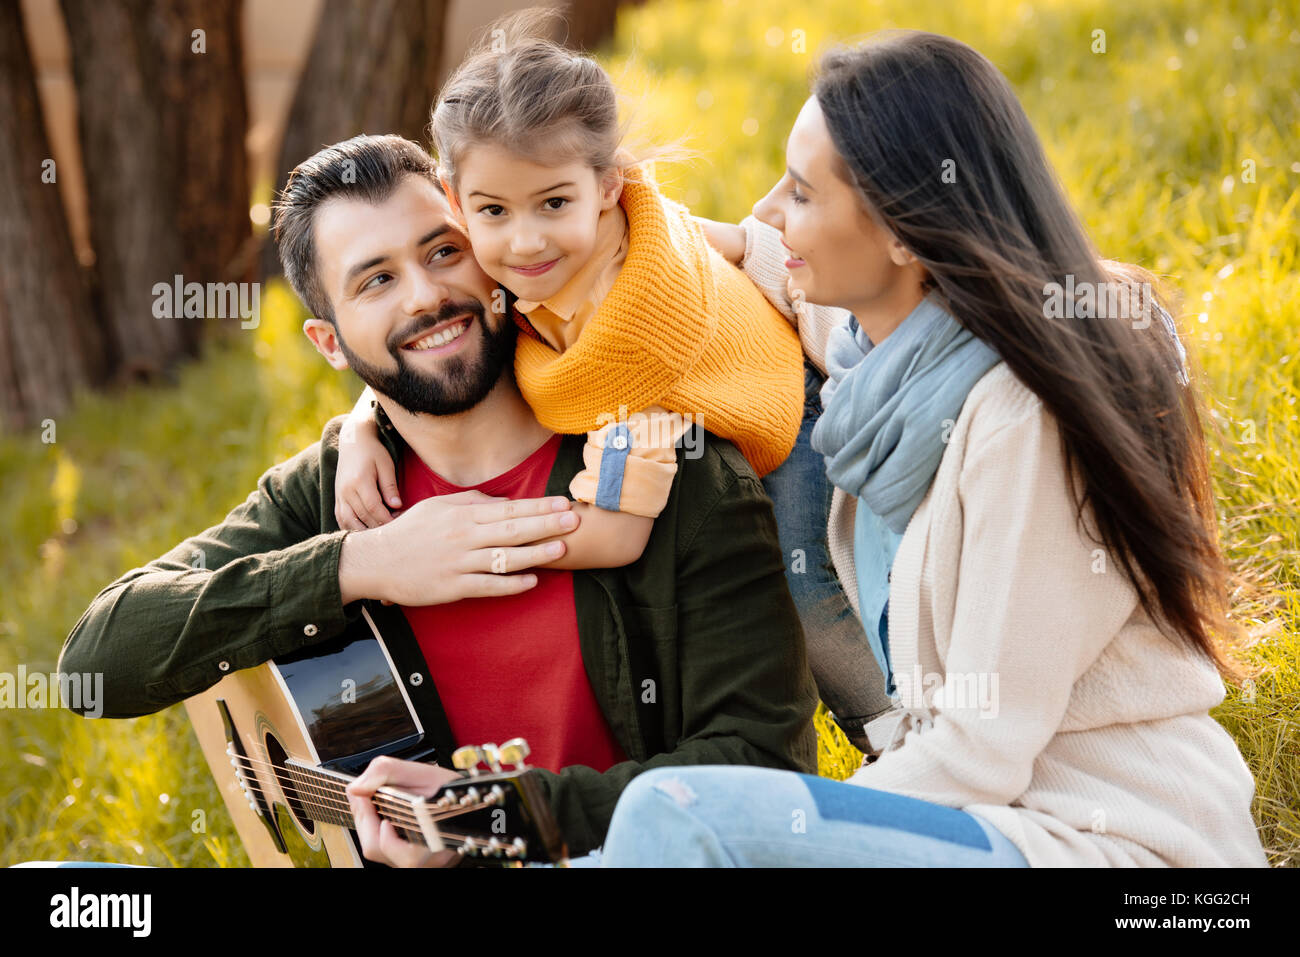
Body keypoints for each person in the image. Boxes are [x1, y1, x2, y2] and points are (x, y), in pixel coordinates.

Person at [596, 30, 1269, 868]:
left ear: (906, 234)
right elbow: (768, 271)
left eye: (801, 194)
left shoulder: (1024, 415)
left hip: (1118, 849)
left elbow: (978, 751)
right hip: (986, 822)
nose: (768, 210)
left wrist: (792, 829)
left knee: (677, 814)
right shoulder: (889, 357)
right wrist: (379, 423)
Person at [55, 133, 819, 866]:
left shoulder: (667, 469)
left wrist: (498, 813)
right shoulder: (334, 493)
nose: (428, 296)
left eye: (443, 251)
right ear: (330, 343)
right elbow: (97, 660)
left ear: (494, 260)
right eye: (376, 279)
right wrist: (362, 565)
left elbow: (762, 768)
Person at [333, 8, 895, 745]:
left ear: (608, 185)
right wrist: (362, 423)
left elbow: (620, 535)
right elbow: (438, 346)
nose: (525, 241)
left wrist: (468, 548)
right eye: (492, 210)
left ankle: (891, 726)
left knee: (809, 588)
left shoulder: (628, 345)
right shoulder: (573, 250)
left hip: (788, 412)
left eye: (553, 204)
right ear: (452, 196)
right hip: (735, 332)